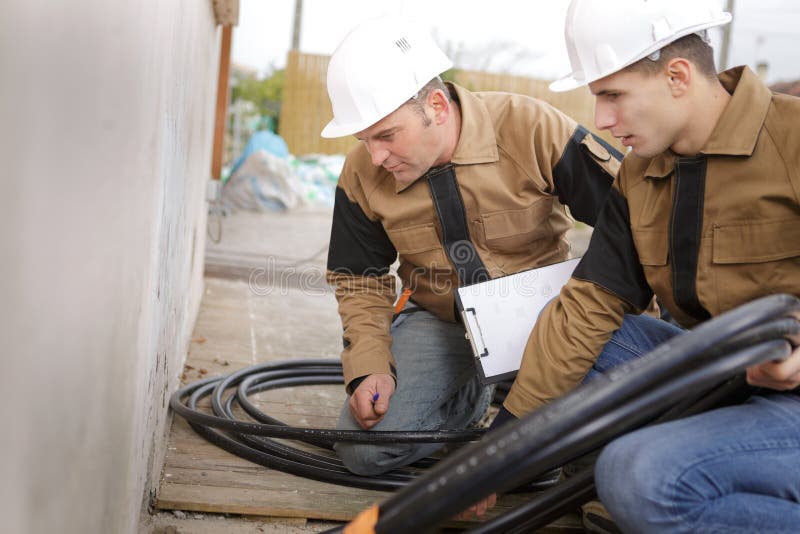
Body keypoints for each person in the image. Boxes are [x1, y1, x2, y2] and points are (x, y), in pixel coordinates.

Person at [321, 15, 670, 478]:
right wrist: (368, 368)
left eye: (386, 135)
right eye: (364, 139)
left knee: (586, 460)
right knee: (364, 453)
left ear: (438, 107)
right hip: (441, 320)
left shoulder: (530, 127)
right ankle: (476, 396)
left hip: (545, 319)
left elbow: (636, 221)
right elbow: (357, 279)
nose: (376, 157)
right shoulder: (360, 173)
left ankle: (526, 394)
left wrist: (644, 326)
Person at [499, 0, 800, 531]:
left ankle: (644, 491)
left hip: (790, 400)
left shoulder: (793, 140)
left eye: (613, 95)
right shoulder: (640, 176)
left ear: (678, 75)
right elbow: (589, 304)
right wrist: (500, 446)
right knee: (570, 341)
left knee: (639, 476)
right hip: (726, 378)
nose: (601, 121)